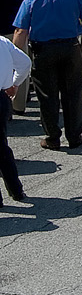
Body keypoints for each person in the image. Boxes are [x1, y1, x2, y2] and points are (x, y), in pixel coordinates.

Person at [13, 0, 82, 147]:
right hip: (70, 47)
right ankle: (74, 136)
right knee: (73, 94)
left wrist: (17, 57)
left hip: (43, 51)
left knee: (47, 95)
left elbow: (21, 31)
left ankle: (52, 137)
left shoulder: (31, 0)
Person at [0, 0, 31, 119]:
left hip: (2, 28)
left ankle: (5, 102)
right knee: (22, 64)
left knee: (4, 68)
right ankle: (19, 105)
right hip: (21, 27)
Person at [0, 30, 26, 204]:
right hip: (1, 99)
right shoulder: (2, 41)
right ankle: (16, 190)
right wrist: (15, 84)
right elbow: (25, 63)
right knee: (1, 147)